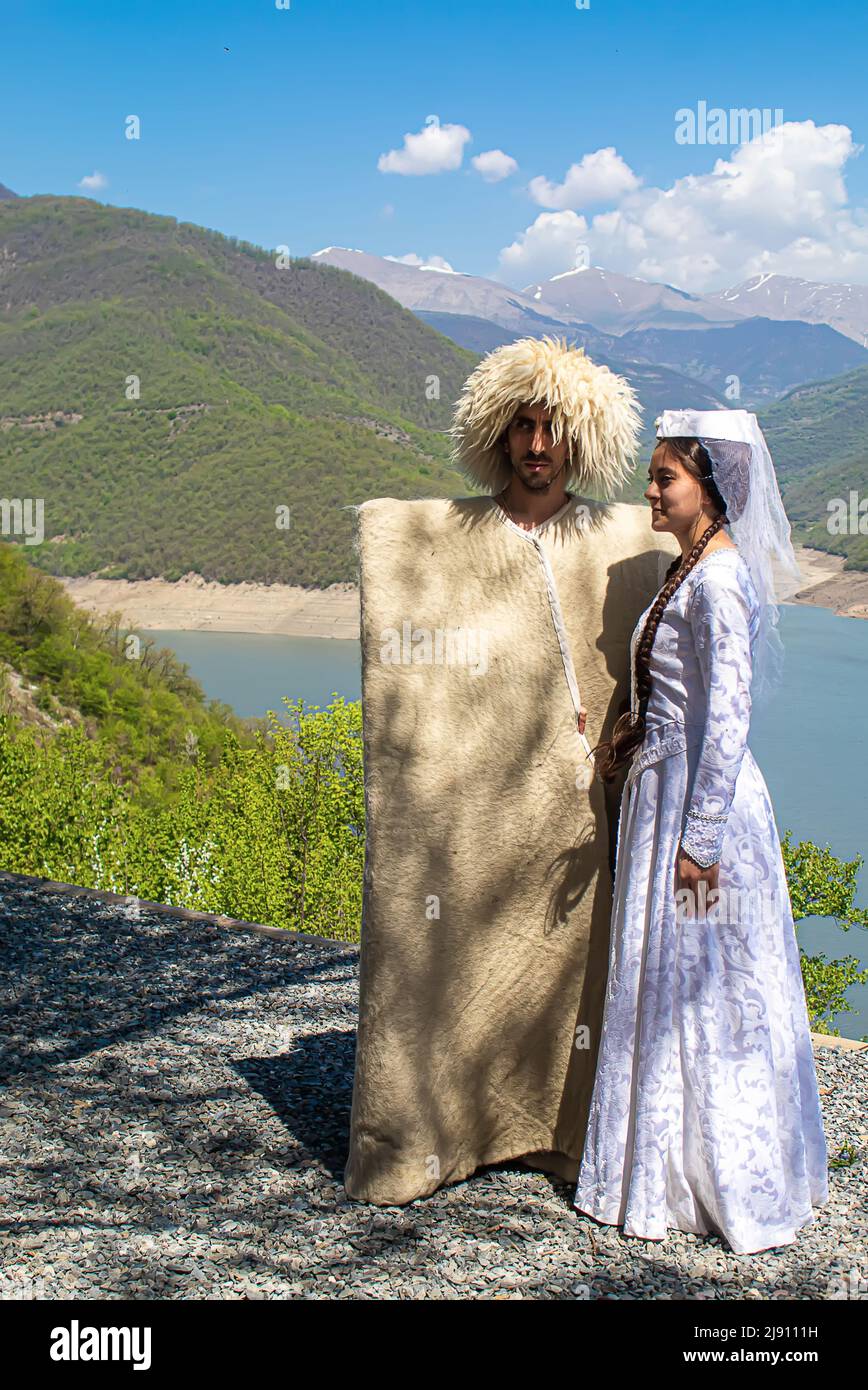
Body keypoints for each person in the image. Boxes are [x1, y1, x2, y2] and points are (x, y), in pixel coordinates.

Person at [343, 337, 680, 1205]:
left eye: (554, 429)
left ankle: (559, 1134)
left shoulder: (614, 544)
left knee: (565, 975)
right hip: (473, 821)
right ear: (495, 431)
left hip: (574, 817)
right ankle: (429, 1135)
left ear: (582, 440)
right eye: (523, 426)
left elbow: (654, 658)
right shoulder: (447, 540)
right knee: (454, 965)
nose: (537, 447)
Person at [572, 408, 830, 1254]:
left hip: (696, 808)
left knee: (706, 987)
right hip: (665, 790)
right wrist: (622, 740)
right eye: (652, 476)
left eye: (664, 479)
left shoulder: (716, 582)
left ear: (710, 490)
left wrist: (701, 841)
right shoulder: (691, 570)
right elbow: (671, 695)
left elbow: (727, 717)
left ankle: (724, 1177)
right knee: (671, 981)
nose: (648, 492)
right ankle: (667, 1169)